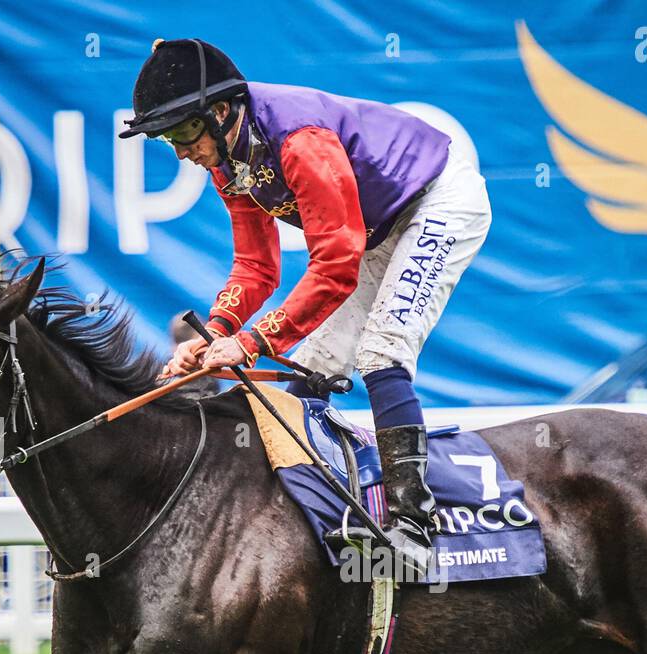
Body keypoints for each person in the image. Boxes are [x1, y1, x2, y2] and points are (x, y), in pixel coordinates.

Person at [121, 38, 492, 577]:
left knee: (382, 352)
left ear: (220, 111)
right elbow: (256, 267)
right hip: (374, 225)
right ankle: (306, 507)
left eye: (182, 132)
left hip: (437, 198)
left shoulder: (299, 142)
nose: (179, 151)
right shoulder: (230, 162)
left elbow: (337, 265)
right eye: (165, 138)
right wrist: (216, 332)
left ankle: (413, 527)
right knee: (314, 366)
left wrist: (249, 344)